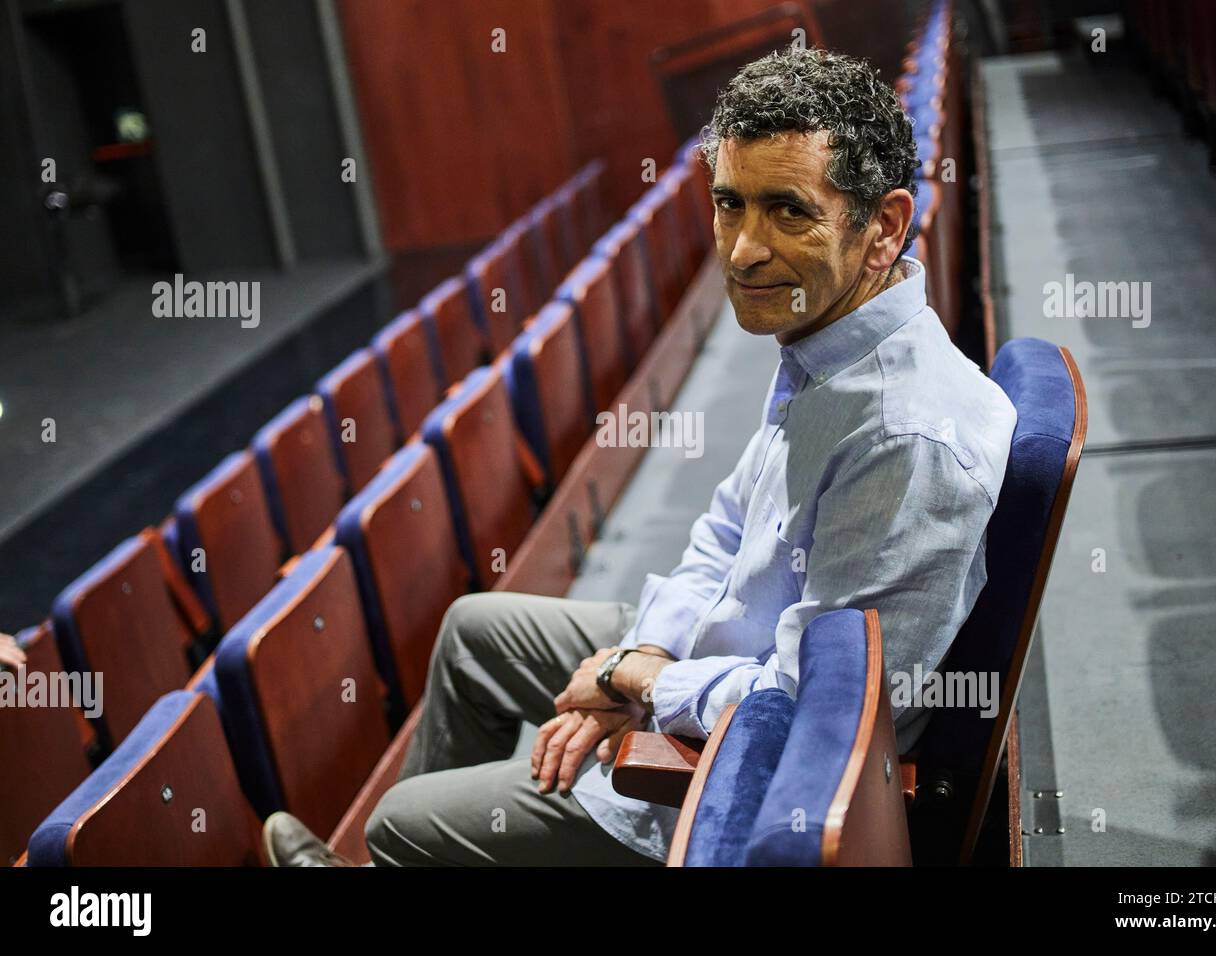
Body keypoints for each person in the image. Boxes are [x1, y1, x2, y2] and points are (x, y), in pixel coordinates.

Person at [264, 45, 1017, 867]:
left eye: (787, 212)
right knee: (475, 631)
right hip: (719, 654)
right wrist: (647, 650)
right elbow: (726, 529)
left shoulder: (902, 437)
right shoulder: (825, 340)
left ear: (884, 228)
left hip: (738, 762)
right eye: (730, 205)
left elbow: (828, 718)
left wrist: (643, 688)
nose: (741, 250)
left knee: (400, 821)